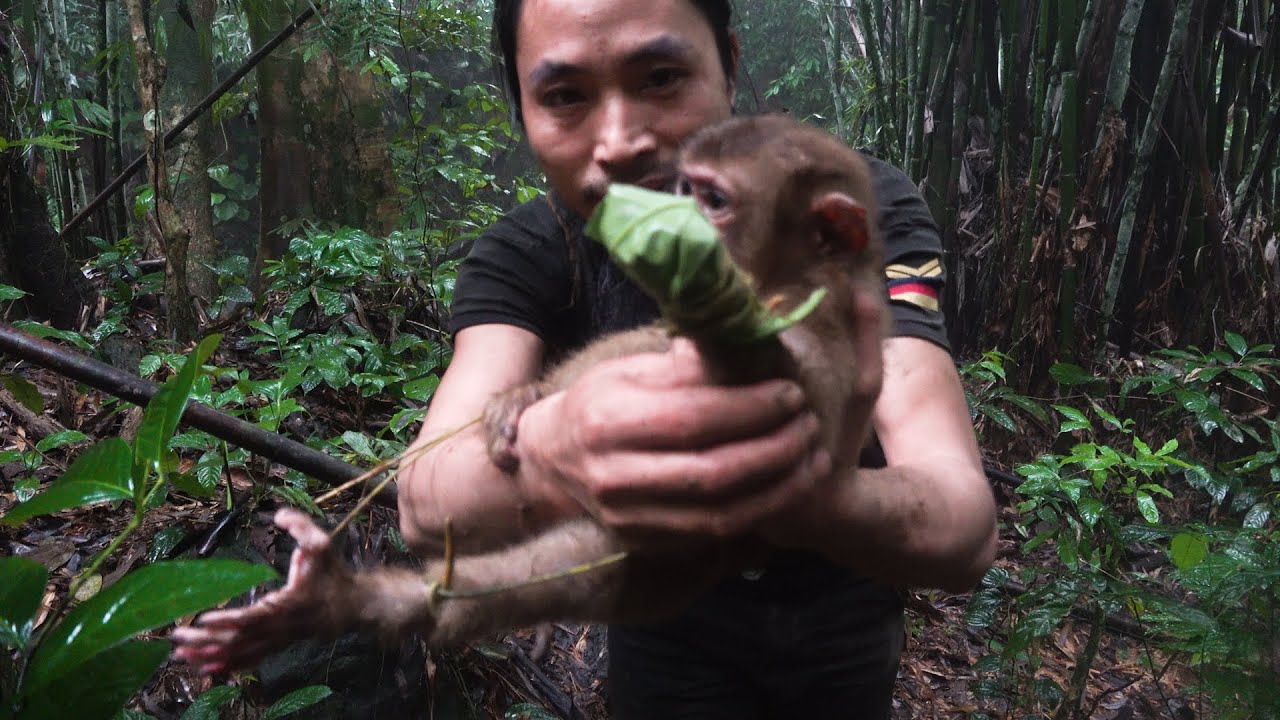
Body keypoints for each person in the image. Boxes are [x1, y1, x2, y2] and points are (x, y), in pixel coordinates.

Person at [396, 0, 998, 716]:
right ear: (522, 108)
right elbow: (426, 501)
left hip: (845, 606)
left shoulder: (837, 209)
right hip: (664, 626)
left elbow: (963, 521)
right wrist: (557, 449)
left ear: (729, 69)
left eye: (660, 78)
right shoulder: (532, 251)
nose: (618, 143)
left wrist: (813, 499)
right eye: (564, 96)